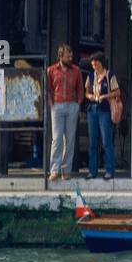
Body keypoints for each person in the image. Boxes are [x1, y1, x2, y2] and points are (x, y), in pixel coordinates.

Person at [46, 43, 84, 182]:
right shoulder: (51, 70)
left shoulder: (76, 70)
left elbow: (80, 88)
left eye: (71, 55)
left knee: (70, 139)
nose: (71, 57)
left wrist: (78, 103)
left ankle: (66, 170)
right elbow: (48, 88)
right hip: (57, 105)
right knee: (57, 139)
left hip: (72, 105)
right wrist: (51, 104)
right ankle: (54, 170)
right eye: (68, 55)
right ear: (60, 56)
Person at [84, 53, 120, 181]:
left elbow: (117, 91)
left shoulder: (109, 75)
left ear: (100, 62)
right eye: (92, 64)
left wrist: (105, 96)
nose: (94, 66)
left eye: (95, 63)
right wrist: (91, 97)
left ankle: (109, 170)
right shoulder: (90, 76)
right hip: (92, 110)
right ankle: (92, 171)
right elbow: (86, 92)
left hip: (104, 110)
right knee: (92, 142)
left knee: (106, 141)